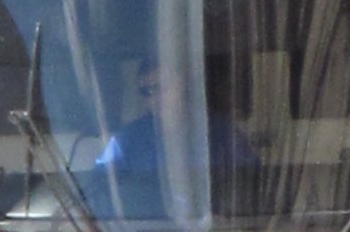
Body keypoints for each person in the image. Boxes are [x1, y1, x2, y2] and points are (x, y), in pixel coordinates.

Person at [92, 56, 256, 221]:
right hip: (151, 230)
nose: (155, 97)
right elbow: (99, 189)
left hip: (214, 230)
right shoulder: (127, 139)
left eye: (161, 87)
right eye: (146, 92)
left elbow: (250, 184)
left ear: (184, 87)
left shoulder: (224, 133)